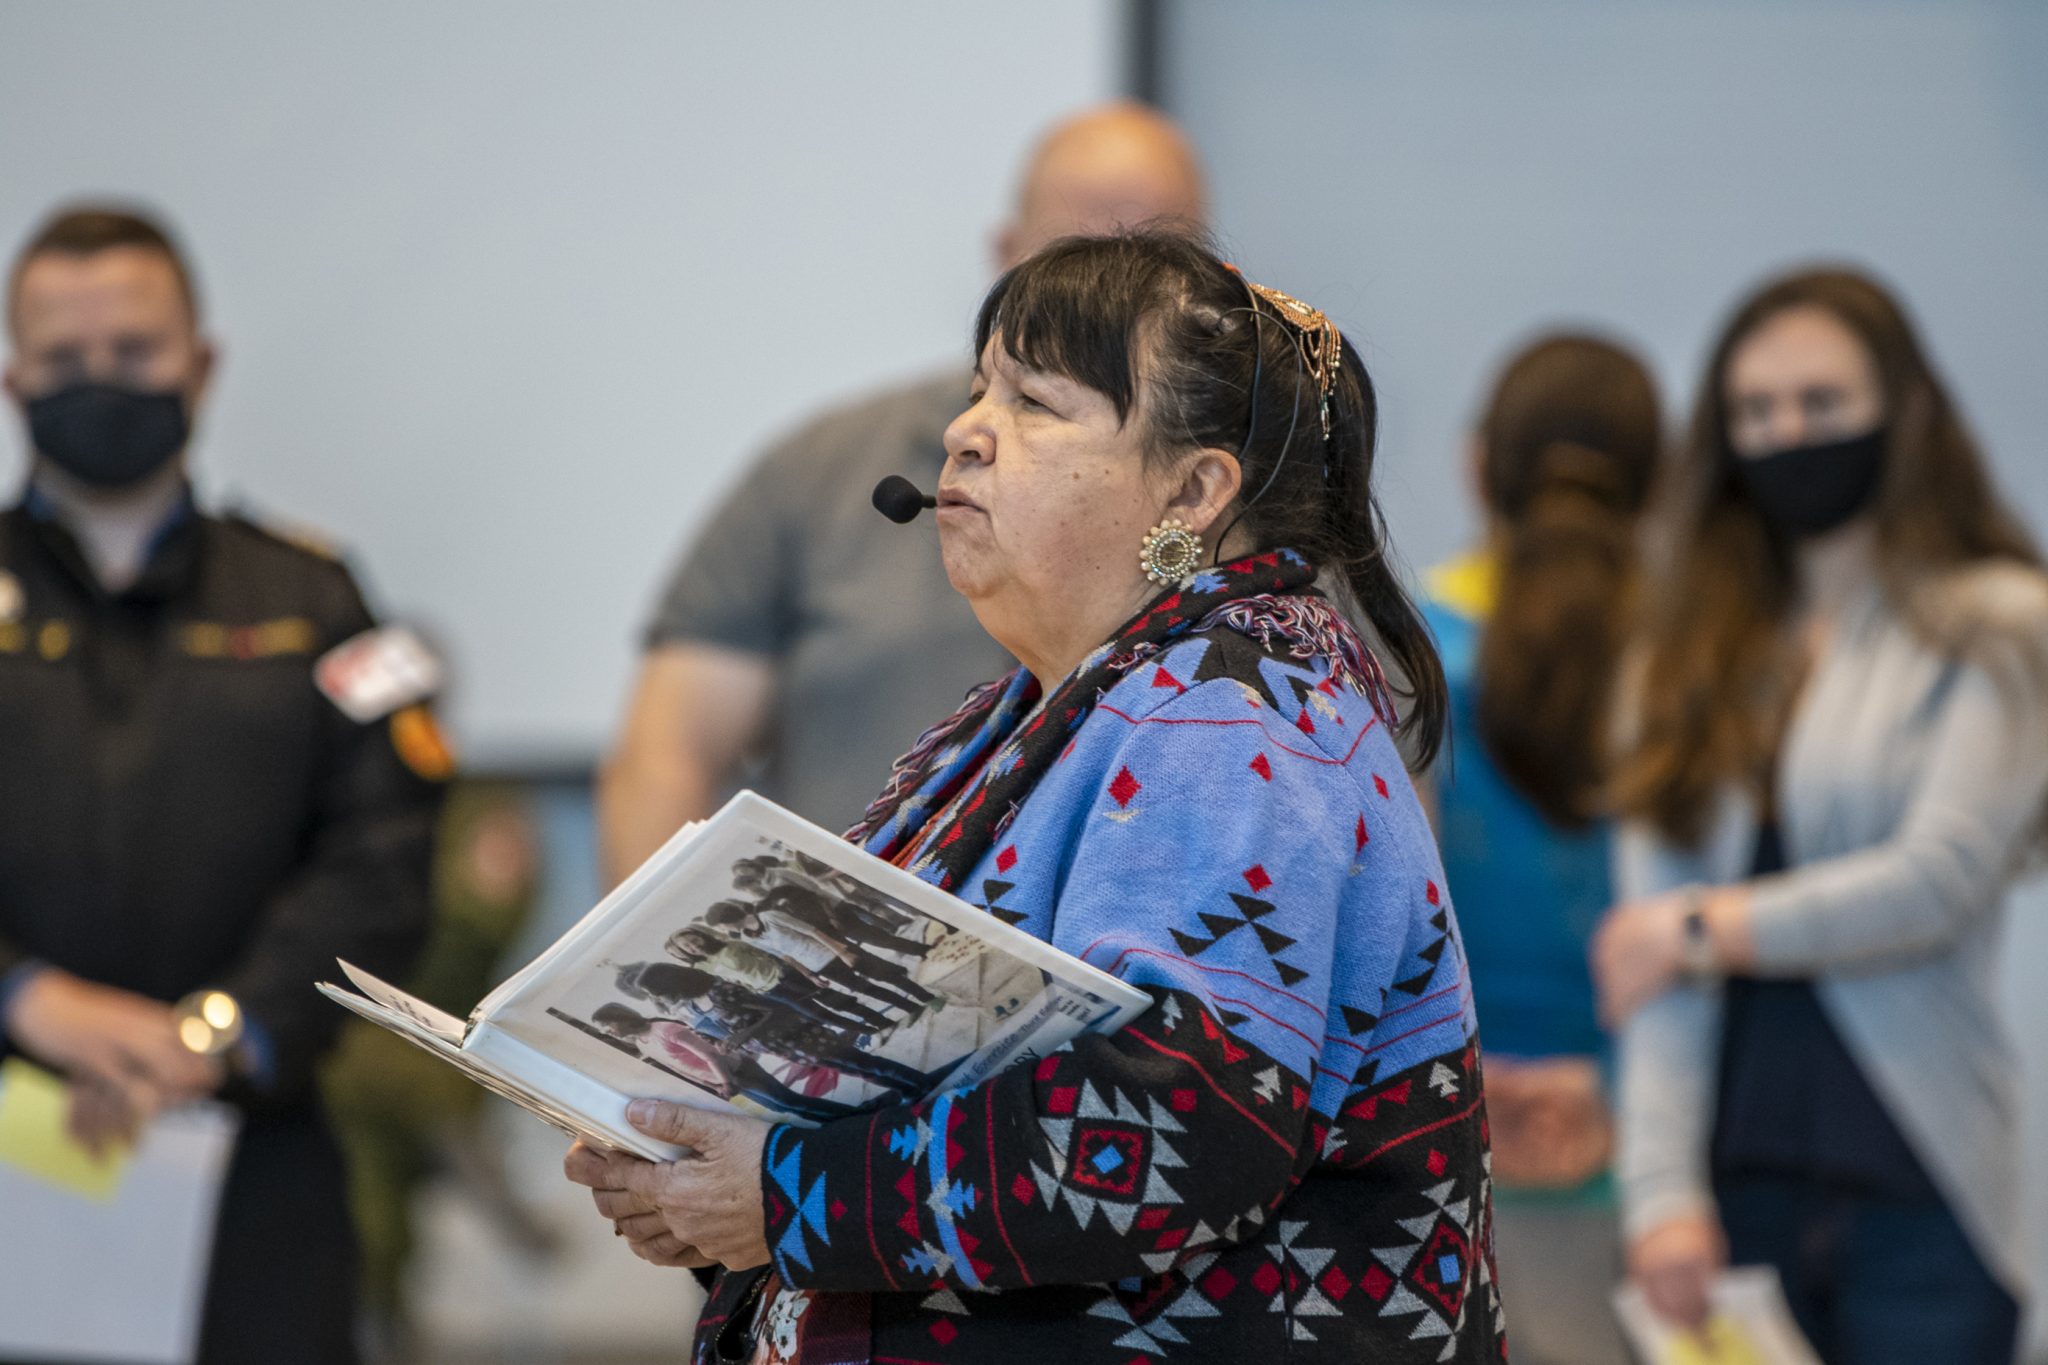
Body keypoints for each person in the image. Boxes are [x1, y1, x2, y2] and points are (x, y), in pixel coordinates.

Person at [567, 232, 1503, 1363]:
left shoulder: (1229, 714)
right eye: (977, 393)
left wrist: (779, 1194)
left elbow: (1177, 1121)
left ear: (1192, 489)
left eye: (1035, 404)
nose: (965, 430)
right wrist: (708, 1168)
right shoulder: (1061, 703)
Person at [0, 205, 444, 1363]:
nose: (101, 382)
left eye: (134, 353)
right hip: (10, 1135)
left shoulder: (316, 596)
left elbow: (387, 851)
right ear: (12, 379)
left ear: (201, 363)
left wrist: (219, 1029)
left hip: (252, 1159)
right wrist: (28, 1000)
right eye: (63, 360)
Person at [1592, 267, 2048, 1363]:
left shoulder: (1994, 626)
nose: (1786, 434)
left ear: (1905, 409)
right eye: (1754, 412)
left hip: (1921, 1196)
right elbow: (1648, 965)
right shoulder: (1683, 652)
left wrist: (1701, 927)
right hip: (1729, 1201)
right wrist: (1658, 1195)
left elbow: (1936, 880)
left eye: (1819, 404)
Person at [596, 103, 1207, 880]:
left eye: (1155, 262)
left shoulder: (1259, 528)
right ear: (1006, 254)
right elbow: (666, 753)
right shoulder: (821, 468)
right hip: (834, 982)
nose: (1108, 305)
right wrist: (658, 986)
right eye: (1074, 262)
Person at [1421, 334, 1661, 1365]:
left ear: (1477, 468)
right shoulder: (1703, 669)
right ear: (1661, 486)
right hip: (1654, 1158)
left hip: (1439, 1142)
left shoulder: (1399, 652)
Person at [591, 1001, 866, 1122]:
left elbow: (708, 1054)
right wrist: (714, 1087)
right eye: (606, 1032)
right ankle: (844, 1118)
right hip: (726, 1082)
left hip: (734, 1070)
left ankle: (851, 1116)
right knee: (786, 1105)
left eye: (608, 1027)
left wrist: (726, 1081)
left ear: (619, 1019)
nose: (609, 1033)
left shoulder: (665, 1029)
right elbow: (681, 1068)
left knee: (787, 1102)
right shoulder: (641, 1043)